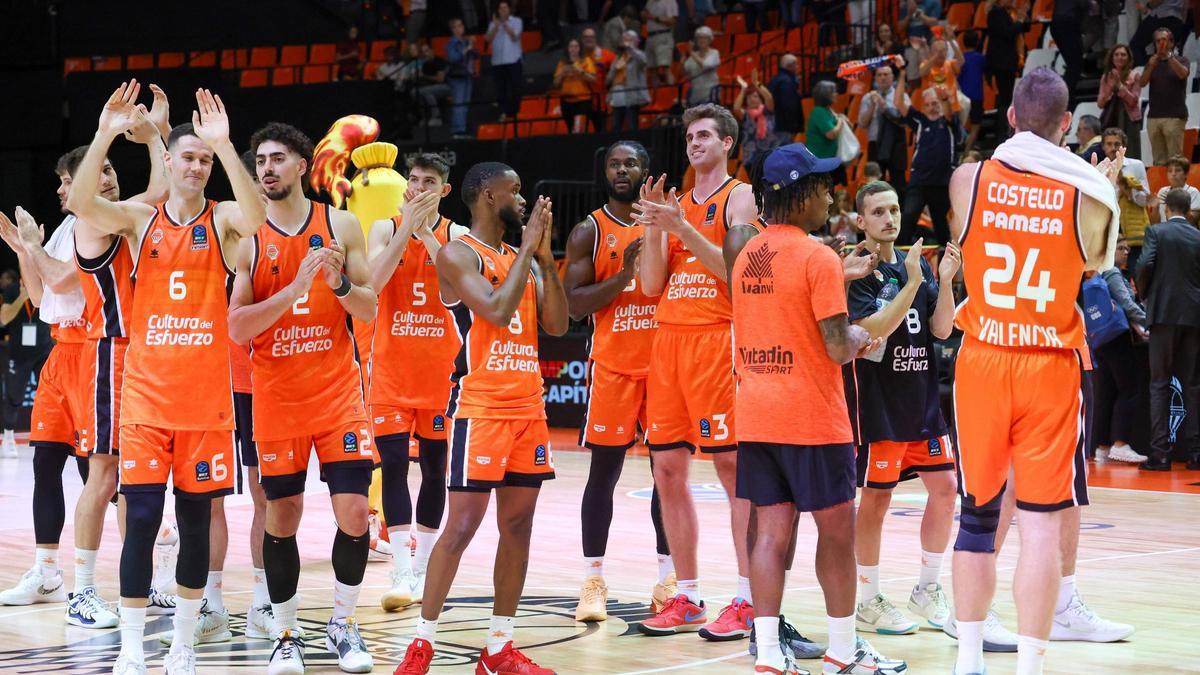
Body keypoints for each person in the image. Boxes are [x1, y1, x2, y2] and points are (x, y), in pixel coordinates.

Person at [67, 81, 265, 675]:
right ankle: (132, 647)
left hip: (207, 408)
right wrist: (106, 134)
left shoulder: (225, 218)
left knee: (194, 527)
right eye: (191, 157)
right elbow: (81, 203)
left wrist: (227, 146)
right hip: (147, 404)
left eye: (205, 160)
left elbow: (257, 216)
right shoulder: (138, 218)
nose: (199, 167)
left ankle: (181, 640)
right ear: (170, 161)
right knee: (144, 524)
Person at [947, 66, 1120, 675]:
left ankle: (967, 662)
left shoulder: (968, 179)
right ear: (1067, 126)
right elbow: (1093, 266)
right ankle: (1031, 666)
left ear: (1012, 117)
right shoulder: (1088, 194)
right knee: (1042, 527)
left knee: (976, 516)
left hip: (983, 360)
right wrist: (1100, 187)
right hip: (1048, 361)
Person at [722, 142, 905, 675]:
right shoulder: (817, 257)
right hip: (812, 418)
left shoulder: (748, 255)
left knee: (770, 535)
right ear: (800, 195)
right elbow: (835, 345)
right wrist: (861, 337)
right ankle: (844, 652)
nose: (830, 197)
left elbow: (781, 315)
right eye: (823, 188)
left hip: (755, 413)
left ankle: (771, 654)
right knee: (837, 534)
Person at [393, 163, 568, 674]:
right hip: (480, 408)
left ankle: (497, 648)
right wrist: (528, 250)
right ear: (489, 196)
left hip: (527, 410)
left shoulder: (523, 258)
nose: (522, 200)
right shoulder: (456, 253)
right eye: (515, 191)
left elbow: (558, 324)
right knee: (463, 525)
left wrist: (545, 259)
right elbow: (492, 309)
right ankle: (420, 643)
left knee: (517, 526)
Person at [0, 96, 167, 624]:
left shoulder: (108, 220)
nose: (59, 189)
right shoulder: (76, 227)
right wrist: (28, 250)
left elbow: (60, 277)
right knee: (67, 468)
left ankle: (125, 581)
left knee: (113, 474)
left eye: (111, 167)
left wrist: (156, 136)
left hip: (109, 351)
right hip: (78, 353)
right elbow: (43, 290)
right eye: (103, 167)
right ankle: (63, 578)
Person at [225, 122, 376, 674]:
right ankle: (285, 634)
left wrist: (336, 284)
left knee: (355, 514)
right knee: (282, 518)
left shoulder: (338, 223)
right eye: (260, 159)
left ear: (302, 165)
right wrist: (292, 291)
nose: (266, 168)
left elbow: (369, 309)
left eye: (277, 158)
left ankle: (343, 623)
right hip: (277, 401)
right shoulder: (249, 239)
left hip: (338, 396)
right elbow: (237, 329)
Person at [631, 103, 761, 642]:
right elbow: (650, 285)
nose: (694, 143)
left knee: (733, 474)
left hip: (717, 340)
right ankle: (688, 593)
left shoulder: (741, 196)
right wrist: (658, 228)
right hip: (668, 342)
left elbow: (739, 272)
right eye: (689, 136)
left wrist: (682, 224)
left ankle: (750, 598)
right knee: (666, 472)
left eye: (705, 134)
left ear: (728, 142)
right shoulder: (676, 203)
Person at [562, 141, 674, 622]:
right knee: (602, 476)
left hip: (667, 367)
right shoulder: (590, 229)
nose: (622, 169)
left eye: (631, 162)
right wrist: (625, 272)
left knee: (667, 479)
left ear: (646, 171)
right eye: (613, 163)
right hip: (614, 366)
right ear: (604, 172)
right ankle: (593, 580)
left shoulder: (669, 223)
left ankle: (671, 581)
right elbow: (575, 305)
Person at [846, 180, 961, 638]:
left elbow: (941, 328)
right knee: (876, 500)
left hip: (922, 402)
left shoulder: (917, 266)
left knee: (946, 489)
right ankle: (867, 599)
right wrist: (913, 281)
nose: (889, 218)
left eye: (893, 209)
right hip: (881, 406)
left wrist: (945, 280)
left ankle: (926, 588)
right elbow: (872, 328)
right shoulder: (858, 268)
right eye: (877, 212)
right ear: (861, 220)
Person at [365, 153, 466, 613]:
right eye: (413, 179)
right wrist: (407, 227)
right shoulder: (385, 229)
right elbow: (371, 281)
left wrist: (425, 233)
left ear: (444, 190)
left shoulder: (460, 236)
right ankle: (401, 569)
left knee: (432, 469)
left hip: (441, 374)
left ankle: (423, 565)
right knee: (392, 467)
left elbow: (456, 290)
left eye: (429, 182)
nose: (418, 187)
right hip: (391, 370)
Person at [1135, 188, 1200, 470]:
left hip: (1162, 315)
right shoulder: (1198, 236)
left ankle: (1160, 453)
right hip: (1194, 317)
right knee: (1194, 385)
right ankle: (1197, 453)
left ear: (1166, 208)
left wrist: (1146, 296)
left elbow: (1145, 264)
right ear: (1187, 209)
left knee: (1160, 383)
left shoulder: (1156, 233)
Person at [1092, 236, 1151, 464]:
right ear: (1109, 249)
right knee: (1129, 389)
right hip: (1117, 337)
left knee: (1106, 392)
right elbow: (1127, 304)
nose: (1126, 252)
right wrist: (1148, 321)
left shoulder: (1094, 271)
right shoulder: (1112, 272)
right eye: (1120, 248)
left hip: (1100, 338)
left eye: (1127, 248)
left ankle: (1103, 446)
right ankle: (1121, 443)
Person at [896, 80, 963, 245]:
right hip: (919, 181)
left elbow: (948, 113)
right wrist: (903, 73)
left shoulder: (949, 122)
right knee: (908, 217)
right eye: (928, 105)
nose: (932, 107)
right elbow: (898, 102)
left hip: (941, 183)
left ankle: (943, 264)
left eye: (935, 103)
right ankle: (897, 259)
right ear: (923, 107)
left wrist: (945, 100)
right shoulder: (920, 121)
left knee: (942, 227)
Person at [1138, 28, 1190, 165]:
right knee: (1158, 160)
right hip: (1153, 116)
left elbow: (1183, 74)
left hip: (1174, 115)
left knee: (1175, 159)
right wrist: (1150, 66)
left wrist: (1169, 57)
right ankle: (1163, 186)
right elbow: (1142, 83)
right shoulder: (1152, 62)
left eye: (1164, 40)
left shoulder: (1181, 60)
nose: (1161, 43)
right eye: (1158, 41)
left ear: (1171, 43)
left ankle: (1177, 187)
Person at [1102, 128, 1151, 266]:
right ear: (1103, 147)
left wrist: (1126, 189)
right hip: (1109, 225)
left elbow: (1145, 201)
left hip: (1133, 228)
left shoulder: (1136, 165)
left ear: (1123, 147)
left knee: (1135, 270)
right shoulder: (1100, 169)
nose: (1113, 148)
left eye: (1117, 144)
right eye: (1109, 144)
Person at [858, 64, 910, 192]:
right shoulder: (867, 97)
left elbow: (905, 120)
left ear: (892, 77)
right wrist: (872, 106)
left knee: (898, 184)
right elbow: (862, 123)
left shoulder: (901, 96)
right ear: (875, 78)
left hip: (896, 144)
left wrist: (883, 105)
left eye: (886, 74)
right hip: (875, 144)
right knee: (875, 185)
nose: (882, 78)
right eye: (879, 75)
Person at [986, 0, 1029, 140]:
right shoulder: (995, 13)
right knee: (1004, 100)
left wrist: (1024, 17)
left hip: (1009, 62)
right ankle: (1002, 134)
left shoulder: (1010, 12)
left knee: (1007, 99)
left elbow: (1024, 28)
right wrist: (1020, 21)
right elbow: (1007, 32)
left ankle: (1005, 131)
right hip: (1001, 63)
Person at [1097, 44, 1143, 160]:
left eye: (1123, 54)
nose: (1120, 57)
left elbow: (1133, 101)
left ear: (1128, 58)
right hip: (1112, 118)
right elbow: (1100, 103)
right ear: (1112, 58)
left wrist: (1120, 86)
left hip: (1129, 120)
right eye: (1116, 54)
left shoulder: (1135, 76)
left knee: (1131, 153)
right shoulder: (1106, 77)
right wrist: (1111, 89)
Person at [733, 70, 787, 165]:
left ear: (760, 99)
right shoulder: (746, 114)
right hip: (751, 159)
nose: (751, 99)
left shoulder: (767, 110)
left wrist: (756, 83)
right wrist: (743, 90)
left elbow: (769, 98)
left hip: (771, 156)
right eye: (748, 97)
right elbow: (736, 108)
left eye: (754, 96)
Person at [486, 1, 524, 122]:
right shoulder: (493, 24)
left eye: (505, 8)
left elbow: (515, 37)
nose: (502, 10)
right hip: (497, 62)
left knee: (515, 87)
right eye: (500, 8)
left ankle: (515, 113)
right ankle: (503, 113)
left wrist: (505, 24)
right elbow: (488, 39)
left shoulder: (517, 21)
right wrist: (496, 27)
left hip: (513, 60)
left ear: (509, 9)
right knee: (501, 89)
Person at [806, 81, 848, 187]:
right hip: (821, 162)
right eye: (833, 92)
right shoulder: (819, 112)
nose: (836, 94)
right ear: (825, 95)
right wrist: (840, 121)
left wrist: (841, 119)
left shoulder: (828, 110)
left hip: (831, 160)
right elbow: (831, 134)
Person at [607, 30, 651, 132]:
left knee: (632, 126)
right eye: (624, 39)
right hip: (617, 94)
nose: (626, 42)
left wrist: (630, 49)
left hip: (632, 95)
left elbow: (643, 62)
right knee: (615, 126)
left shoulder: (639, 55)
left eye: (629, 39)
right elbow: (609, 77)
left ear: (637, 41)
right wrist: (615, 66)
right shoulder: (619, 57)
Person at [554, 39, 598, 133]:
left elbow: (593, 79)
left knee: (579, 130)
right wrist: (562, 73)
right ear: (568, 49)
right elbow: (556, 84)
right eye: (571, 46)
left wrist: (580, 71)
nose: (573, 49)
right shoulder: (562, 63)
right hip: (566, 101)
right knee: (570, 130)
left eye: (576, 46)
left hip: (582, 100)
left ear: (580, 48)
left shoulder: (586, 60)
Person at [1051, 0, 1087, 108]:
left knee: (1073, 64)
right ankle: (1067, 99)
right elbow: (1084, 5)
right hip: (1068, 23)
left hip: (1058, 24)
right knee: (1075, 65)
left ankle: (1068, 97)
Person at [447, 18, 478, 139]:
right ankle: (457, 130)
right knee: (458, 103)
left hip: (467, 76)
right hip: (457, 77)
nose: (460, 28)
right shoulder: (452, 43)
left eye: (461, 25)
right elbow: (453, 58)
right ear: (453, 29)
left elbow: (476, 55)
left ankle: (463, 129)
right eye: (457, 26)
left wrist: (472, 45)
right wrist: (466, 49)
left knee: (465, 104)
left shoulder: (466, 41)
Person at [1130, 0, 1188, 66]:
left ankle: (1144, 69)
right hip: (1177, 18)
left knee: (1135, 45)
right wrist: (1182, 23)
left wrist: (1147, 6)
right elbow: (1186, 4)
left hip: (1161, 15)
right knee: (1165, 53)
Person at [582, 27, 616, 132]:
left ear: (596, 38)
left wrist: (610, 85)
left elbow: (617, 71)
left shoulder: (607, 55)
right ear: (582, 39)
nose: (589, 39)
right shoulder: (578, 55)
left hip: (601, 102)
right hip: (582, 102)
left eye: (591, 37)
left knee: (601, 131)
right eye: (586, 37)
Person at [958, 31, 986, 153]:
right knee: (975, 127)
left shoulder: (960, 59)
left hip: (962, 96)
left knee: (959, 125)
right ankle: (965, 154)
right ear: (978, 42)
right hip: (976, 97)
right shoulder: (980, 58)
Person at [1151, 155, 1200, 223]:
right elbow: (1154, 224)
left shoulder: (1193, 192)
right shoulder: (1162, 191)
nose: (1173, 174)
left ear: (1186, 174)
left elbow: (1192, 221)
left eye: (1178, 170)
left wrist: (1176, 202)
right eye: (1170, 171)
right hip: (1164, 231)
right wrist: (1155, 208)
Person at [415, 42, 451, 127]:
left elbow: (440, 79)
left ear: (432, 51)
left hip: (446, 86)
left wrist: (424, 76)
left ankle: (436, 117)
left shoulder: (439, 61)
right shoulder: (425, 65)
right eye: (423, 52)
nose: (425, 54)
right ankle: (425, 117)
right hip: (431, 88)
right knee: (415, 92)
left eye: (427, 51)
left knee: (425, 92)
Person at [643, 0, 678, 87]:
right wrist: (644, 15)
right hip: (650, 36)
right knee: (651, 69)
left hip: (663, 36)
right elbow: (645, 18)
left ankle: (672, 93)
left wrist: (654, 18)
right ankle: (657, 96)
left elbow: (672, 21)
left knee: (665, 68)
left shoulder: (670, 1)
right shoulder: (650, 2)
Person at [683, 26, 720, 107]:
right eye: (699, 38)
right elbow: (685, 71)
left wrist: (691, 52)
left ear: (710, 40)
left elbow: (706, 65)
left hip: (710, 95)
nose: (702, 40)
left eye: (705, 38)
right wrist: (683, 57)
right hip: (695, 94)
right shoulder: (693, 55)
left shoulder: (714, 53)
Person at [767, 54, 803, 137]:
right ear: (790, 66)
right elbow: (789, 105)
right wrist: (794, 126)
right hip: (784, 126)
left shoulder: (777, 78)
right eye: (796, 64)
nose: (797, 67)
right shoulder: (787, 82)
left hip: (776, 123)